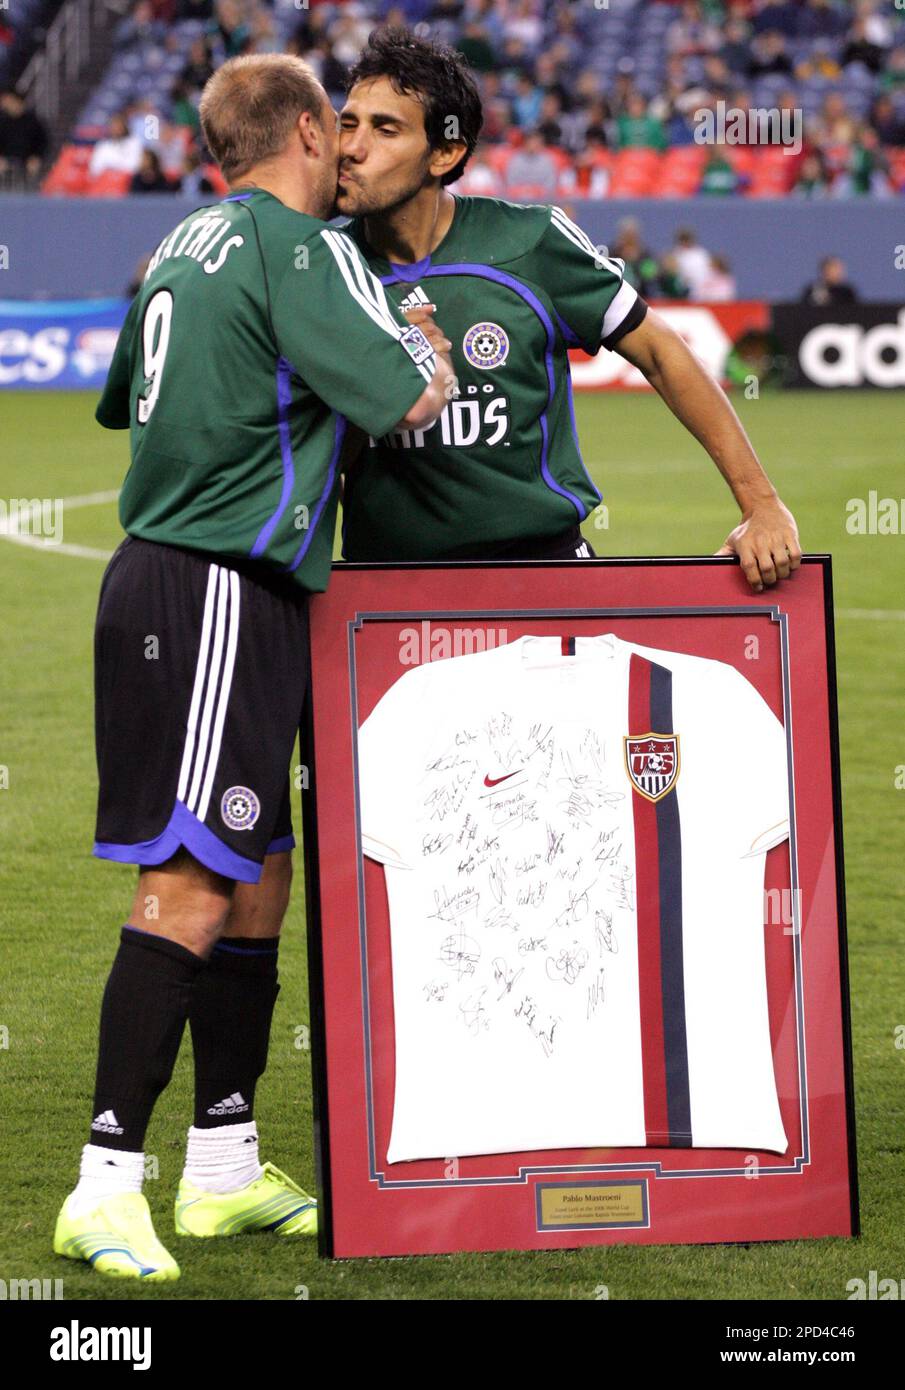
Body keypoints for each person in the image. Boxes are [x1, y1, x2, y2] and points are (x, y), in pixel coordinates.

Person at [53, 51, 452, 1283]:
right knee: (191, 884)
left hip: (187, 578)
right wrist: (421, 339)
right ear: (302, 129)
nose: (350, 148)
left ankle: (222, 1163)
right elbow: (410, 405)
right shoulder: (307, 245)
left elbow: (125, 401)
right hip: (215, 584)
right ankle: (105, 1180)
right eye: (339, 125)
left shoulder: (182, 242)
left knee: (259, 871)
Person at [336, 27, 801, 589]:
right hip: (382, 592)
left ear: (446, 152)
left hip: (541, 574)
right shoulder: (321, 267)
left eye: (385, 129)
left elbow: (661, 351)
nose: (352, 147)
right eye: (348, 123)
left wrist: (761, 503)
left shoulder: (533, 243)